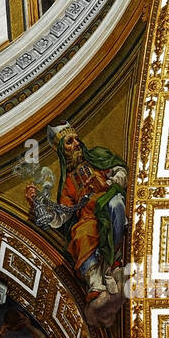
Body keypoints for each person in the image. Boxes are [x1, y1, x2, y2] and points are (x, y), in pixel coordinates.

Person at [50, 124, 128, 302]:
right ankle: (95, 283)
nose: (77, 143)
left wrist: (107, 184)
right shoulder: (68, 182)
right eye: (70, 142)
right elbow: (64, 214)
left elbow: (120, 171)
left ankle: (114, 258)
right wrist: (39, 207)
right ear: (63, 151)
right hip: (87, 216)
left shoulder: (96, 158)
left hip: (107, 199)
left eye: (77, 139)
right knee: (81, 235)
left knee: (116, 204)